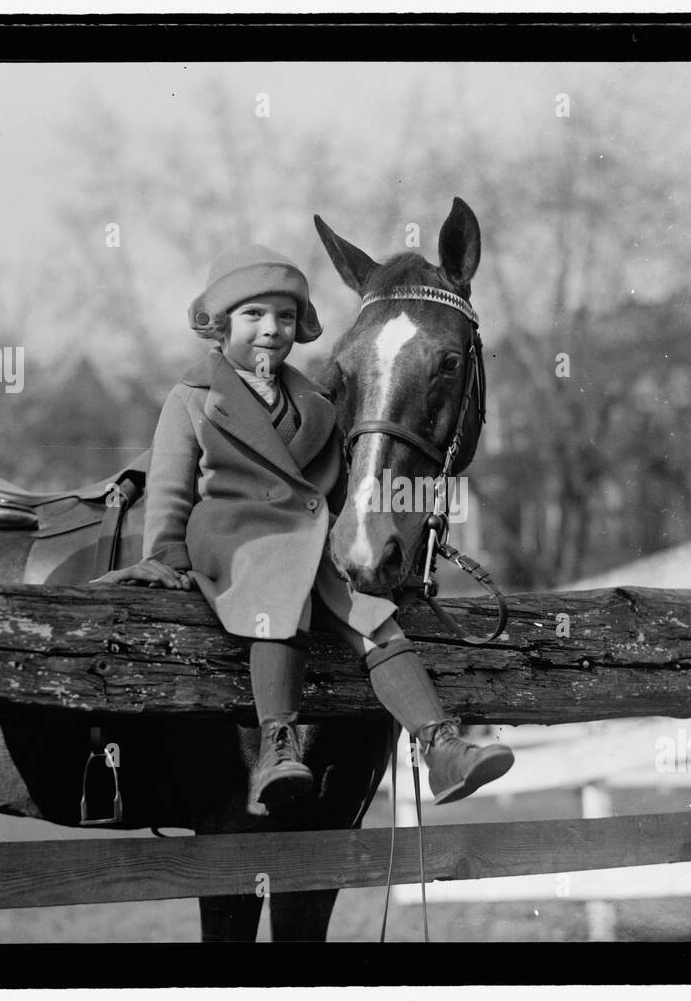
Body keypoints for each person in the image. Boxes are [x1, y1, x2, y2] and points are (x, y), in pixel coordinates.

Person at [96, 245, 513, 814]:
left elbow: (345, 476)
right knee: (277, 599)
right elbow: (170, 486)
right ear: (219, 326)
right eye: (254, 316)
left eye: (285, 318)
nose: (272, 330)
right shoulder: (192, 398)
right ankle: (276, 746)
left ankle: (439, 743)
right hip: (236, 544)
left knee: (376, 620)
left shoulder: (316, 397)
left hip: (309, 539)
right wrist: (167, 556)